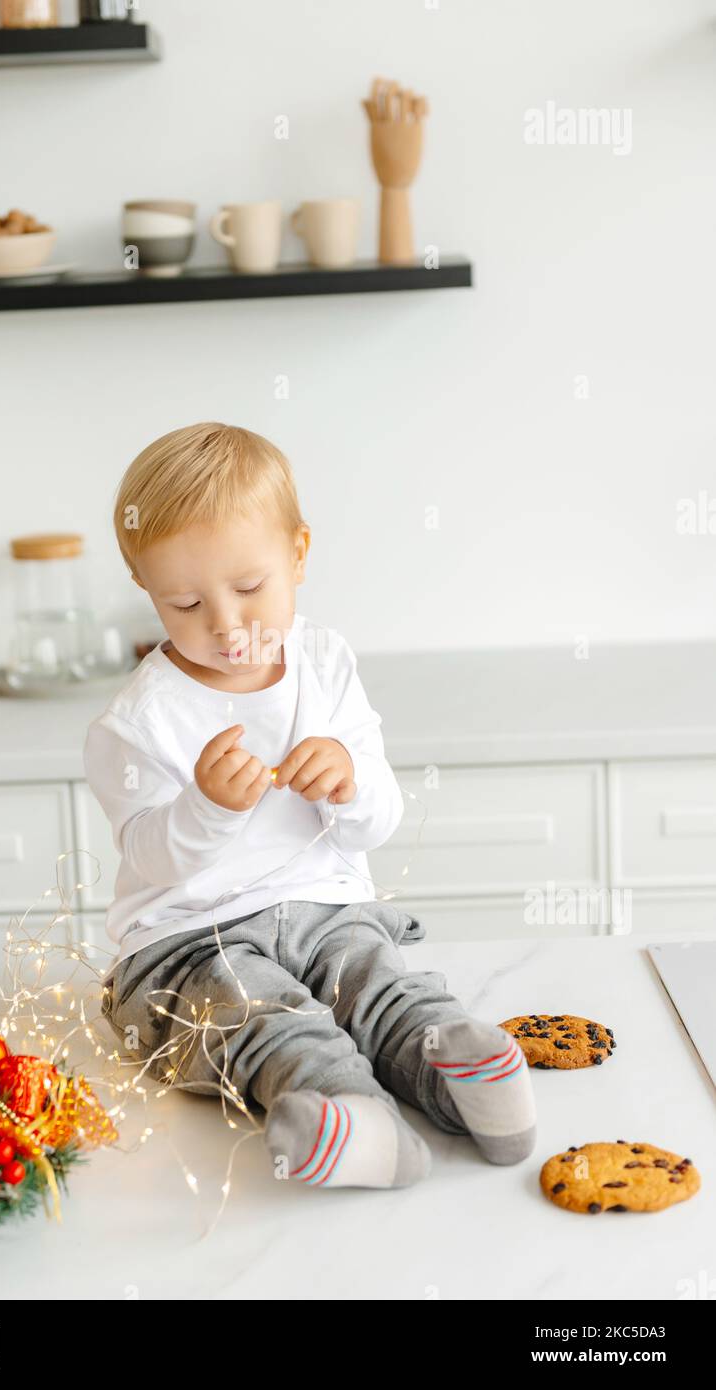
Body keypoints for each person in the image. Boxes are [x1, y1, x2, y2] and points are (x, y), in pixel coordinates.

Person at [84, 422, 536, 1188]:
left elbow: (378, 821)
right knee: (259, 1015)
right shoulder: (140, 721)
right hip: (191, 938)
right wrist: (206, 809)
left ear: (297, 552)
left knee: (376, 986)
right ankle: (347, 1120)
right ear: (146, 589)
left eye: (249, 588)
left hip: (327, 910)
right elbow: (147, 855)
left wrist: (350, 781)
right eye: (185, 602)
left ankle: (464, 1079)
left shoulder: (323, 664)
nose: (225, 625)